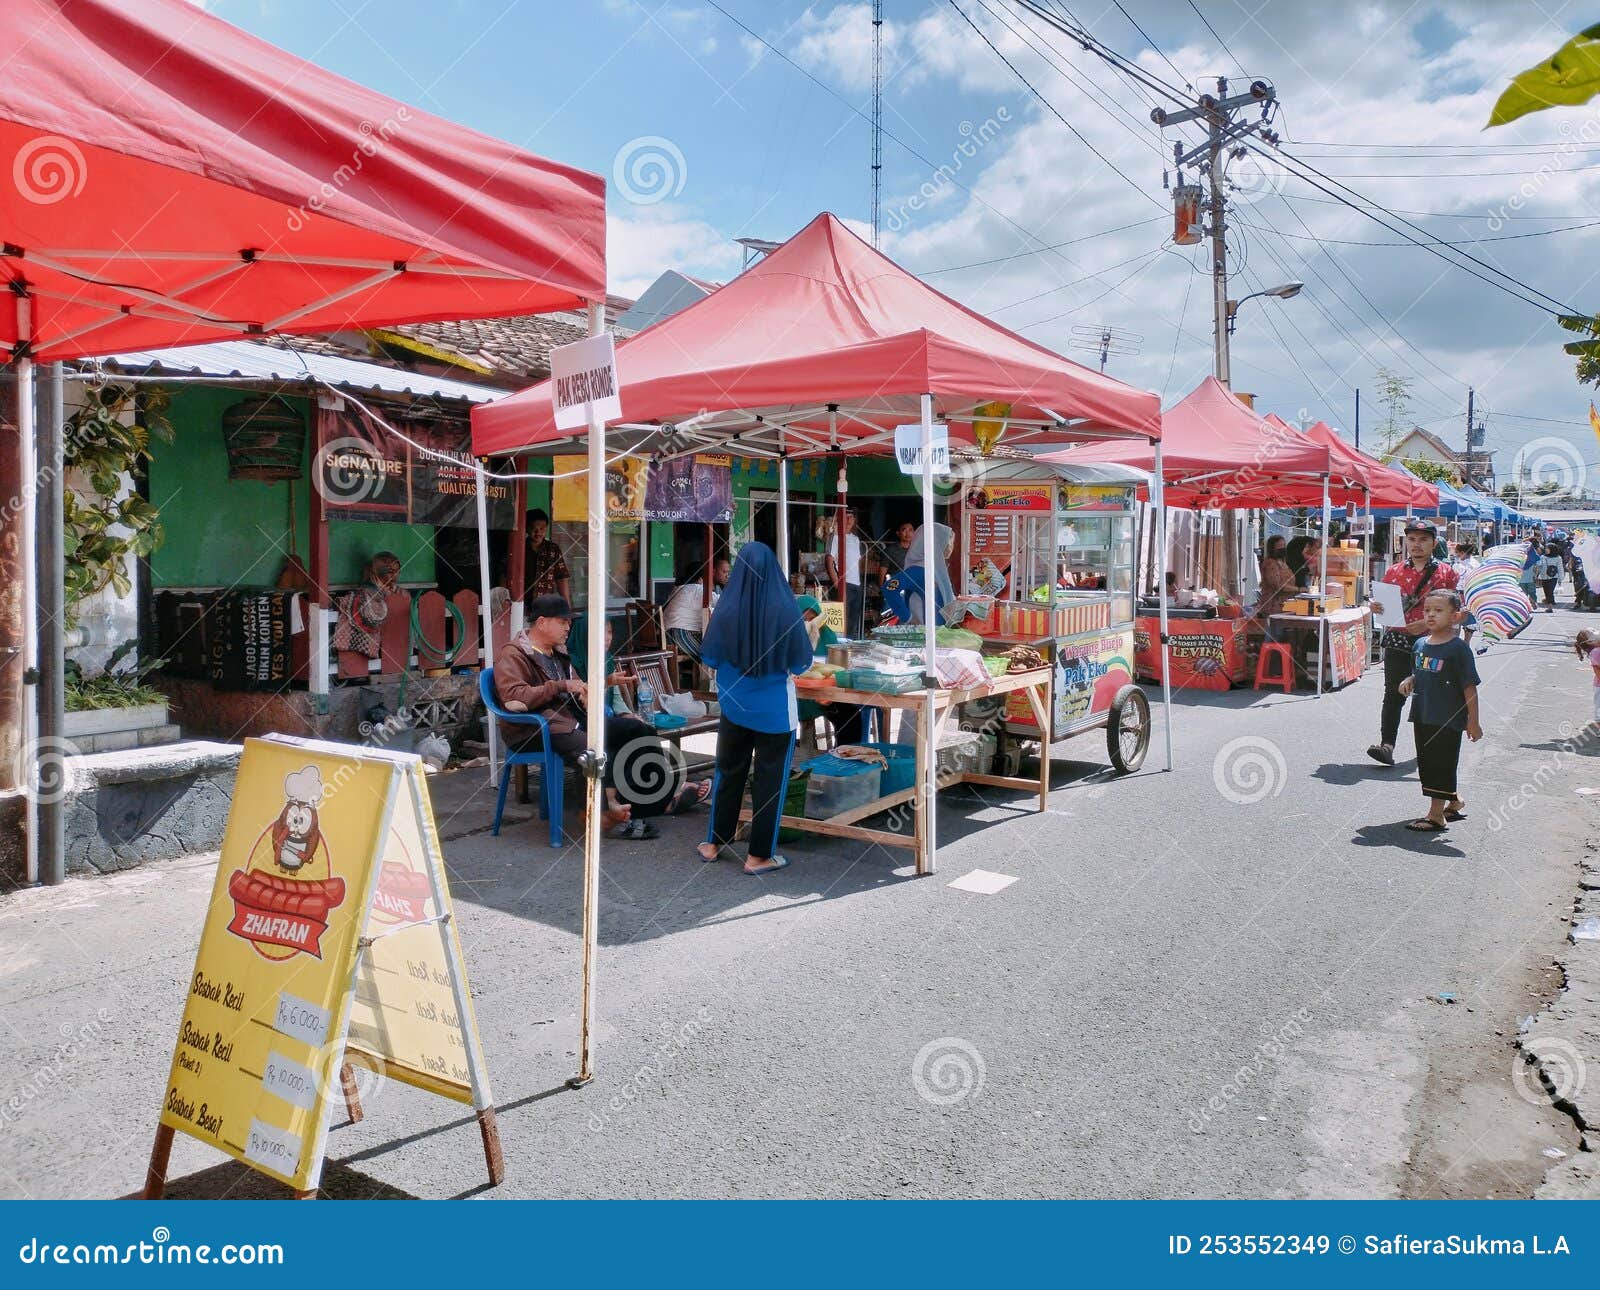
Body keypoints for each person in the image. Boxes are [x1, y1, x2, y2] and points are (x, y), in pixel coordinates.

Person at [495, 595, 705, 840]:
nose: (568, 627)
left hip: (568, 722)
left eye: (568, 622)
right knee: (596, 748)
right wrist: (561, 686)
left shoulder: (557, 653)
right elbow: (513, 698)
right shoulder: (515, 654)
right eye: (563, 621)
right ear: (541, 622)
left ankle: (646, 805)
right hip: (535, 729)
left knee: (640, 730)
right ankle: (599, 815)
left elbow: (575, 687)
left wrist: (592, 689)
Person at [696, 543, 814, 875]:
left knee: (728, 773)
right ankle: (759, 856)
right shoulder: (785, 607)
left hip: (734, 705)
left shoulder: (728, 607)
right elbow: (800, 662)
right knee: (769, 780)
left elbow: (713, 656)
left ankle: (713, 844)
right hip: (774, 711)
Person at [1368, 518, 1458, 767]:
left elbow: (1454, 612)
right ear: (1405, 541)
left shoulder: (1446, 573)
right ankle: (1387, 745)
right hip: (1398, 637)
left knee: (1429, 694)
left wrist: (1428, 626)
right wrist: (1375, 606)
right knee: (1393, 693)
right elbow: (1382, 605)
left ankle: (1430, 746)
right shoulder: (1394, 571)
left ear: (1433, 543)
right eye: (1412, 539)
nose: (1416, 544)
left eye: (1423, 540)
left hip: (1432, 641)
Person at [1397, 588, 1481, 832]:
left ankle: (1436, 815)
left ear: (1455, 616)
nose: (1431, 615)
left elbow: (1469, 687)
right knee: (1428, 762)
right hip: (1423, 714)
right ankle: (1454, 801)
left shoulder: (1458, 649)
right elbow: (1420, 672)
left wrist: (1473, 721)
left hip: (1448, 718)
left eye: (1439, 610)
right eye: (1427, 610)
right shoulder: (1421, 644)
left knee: (1441, 762)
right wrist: (1409, 680)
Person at [795, 594, 867, 744]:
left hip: (827, 693)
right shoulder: (792, 637)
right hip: (799, 695)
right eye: (804, 618)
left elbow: (836, 669)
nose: (809, 621)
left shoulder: (829, 636)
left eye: (813, 617)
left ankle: (843, 756)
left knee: (851, 716)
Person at [663, 557, 730, 672]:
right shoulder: (699, 590)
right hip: (681, 635)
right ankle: (709, 684)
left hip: (668, 636)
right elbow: (725, 602)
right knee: (714, 652)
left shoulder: (679, 589)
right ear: (701, 579)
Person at [883, 522, 956, 626]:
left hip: (938, 634)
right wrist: (908, 618)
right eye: (948, 541)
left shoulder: (936, 569)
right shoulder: (919, 569)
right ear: (934, 543)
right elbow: (889, 588)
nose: (951, 546)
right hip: (923, 636)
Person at [332, 550, 401, 659]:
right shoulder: (368, 593)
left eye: (398, 571)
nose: (396, 575)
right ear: (378, 573)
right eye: (391, 571)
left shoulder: (395, 593)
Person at [568, 611, 637, 715]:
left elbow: (617, 700)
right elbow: (580, 704)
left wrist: (626, 714)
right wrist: (605, 683)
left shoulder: (607, 659)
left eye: (609, 632)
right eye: (600, 632)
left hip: (607, 718)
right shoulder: (569, 662)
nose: (607, 637)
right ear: (585, 634)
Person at [826, 510, 864, 637]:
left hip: (856, 585)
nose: (848, 520)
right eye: (845, 517)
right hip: (844, 584)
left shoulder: (855, 539)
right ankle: (841, 650)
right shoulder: (835, 536)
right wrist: (837, 584)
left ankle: (850, 650)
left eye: (851, 518)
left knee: (853, 621)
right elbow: (829, 561)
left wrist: (859, 583)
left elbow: (857, 562)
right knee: (843, 622)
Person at [524, 508, 571, 604]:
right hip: (522, 605)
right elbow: (505, 574)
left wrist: (567, 606)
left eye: (541, 528)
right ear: (526, 528)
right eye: (534, 529)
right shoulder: (519, 548)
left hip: (545, 606)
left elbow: (561, 577)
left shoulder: (553, 549)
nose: (538, 533)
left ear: (546, 528)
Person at [1578, 629, 1600, 726]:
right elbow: (1597, 669)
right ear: (1590, 642)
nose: (1596, 632)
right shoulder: (1596, 652)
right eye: (1592, 632)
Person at [1538, 540, 1563, 612]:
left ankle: (1550, 607)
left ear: (1552, 549)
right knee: (1546, 591)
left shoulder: (1558, 558)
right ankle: (1550, 601)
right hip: (1544, 577)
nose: (1546, 550)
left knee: (1550, 591)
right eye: (1545, 548)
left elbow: (1560, 568)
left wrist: (1560, 578)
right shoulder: (1543, 557)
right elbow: (1540, 566)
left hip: (1553, 577)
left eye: (1547, 548)